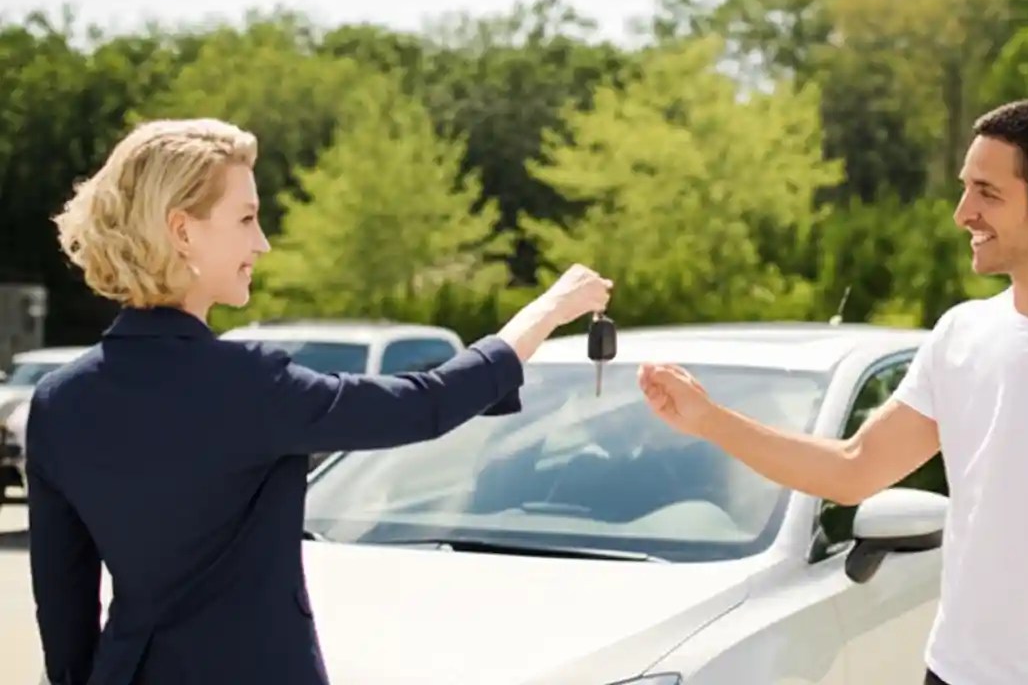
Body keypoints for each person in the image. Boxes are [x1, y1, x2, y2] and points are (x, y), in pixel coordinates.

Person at [639, 99, 1028, 685]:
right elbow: (854, 469)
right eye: (966, 189)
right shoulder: (960, 334)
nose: (962, 213)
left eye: (987, 193)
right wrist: (710, 420)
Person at [27, 118, 612, 685]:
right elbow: (424, 405)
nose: (263, 242)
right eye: (247, 218)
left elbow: (63, 611)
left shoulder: (56, 402)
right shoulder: (248, 384)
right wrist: (549, 311)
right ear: (182, 231)